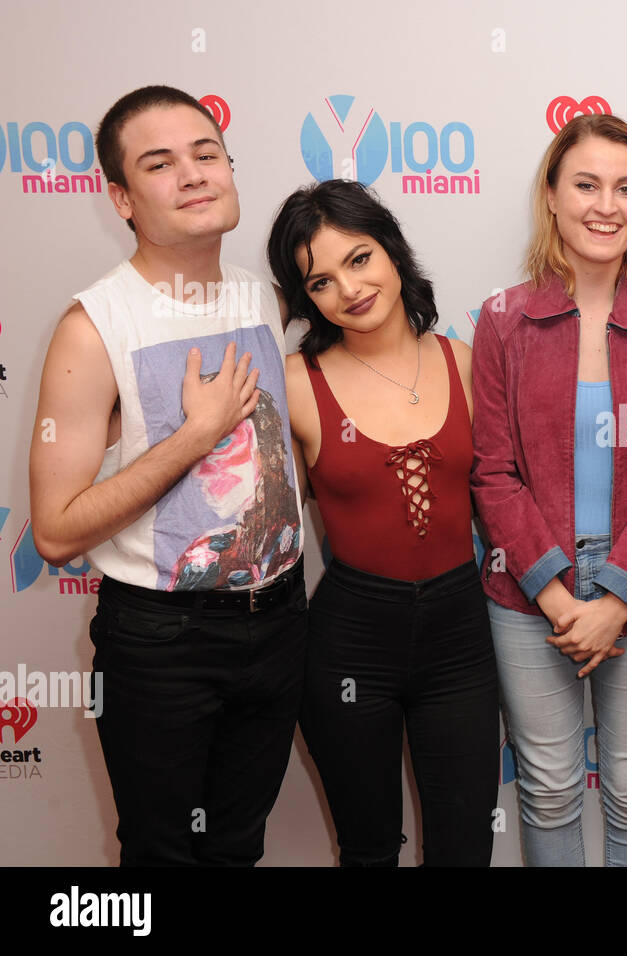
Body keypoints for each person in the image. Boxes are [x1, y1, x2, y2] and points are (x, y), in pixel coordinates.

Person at [28, 85, 306, 866]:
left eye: (206, 154)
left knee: (237, 848)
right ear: (120, 197)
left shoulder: (264, 294)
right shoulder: (95, 325)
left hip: (280, 617)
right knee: (163, 855)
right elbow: (53, 531)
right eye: (159, 164)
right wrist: (196, 436)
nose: (192, 175)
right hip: (163, 643)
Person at [471, 113, 627, 866]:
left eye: (626, 188)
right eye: (585, 185)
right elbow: (492, 471)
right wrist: (553, 592)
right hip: (526, 590)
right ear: (551, 195)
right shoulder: (504, 319)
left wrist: (615, 599)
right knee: (545, 786)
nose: (606, 205)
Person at [267, 179, 499, 866]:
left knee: (464, 849)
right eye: (321, 280)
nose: (350, 288)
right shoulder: (291, 382)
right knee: (369, 851)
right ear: (306, 298)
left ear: (393, 250)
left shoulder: (463, 361)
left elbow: (506, 502)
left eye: (360, 258)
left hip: (461, 641)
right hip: (349, 645)